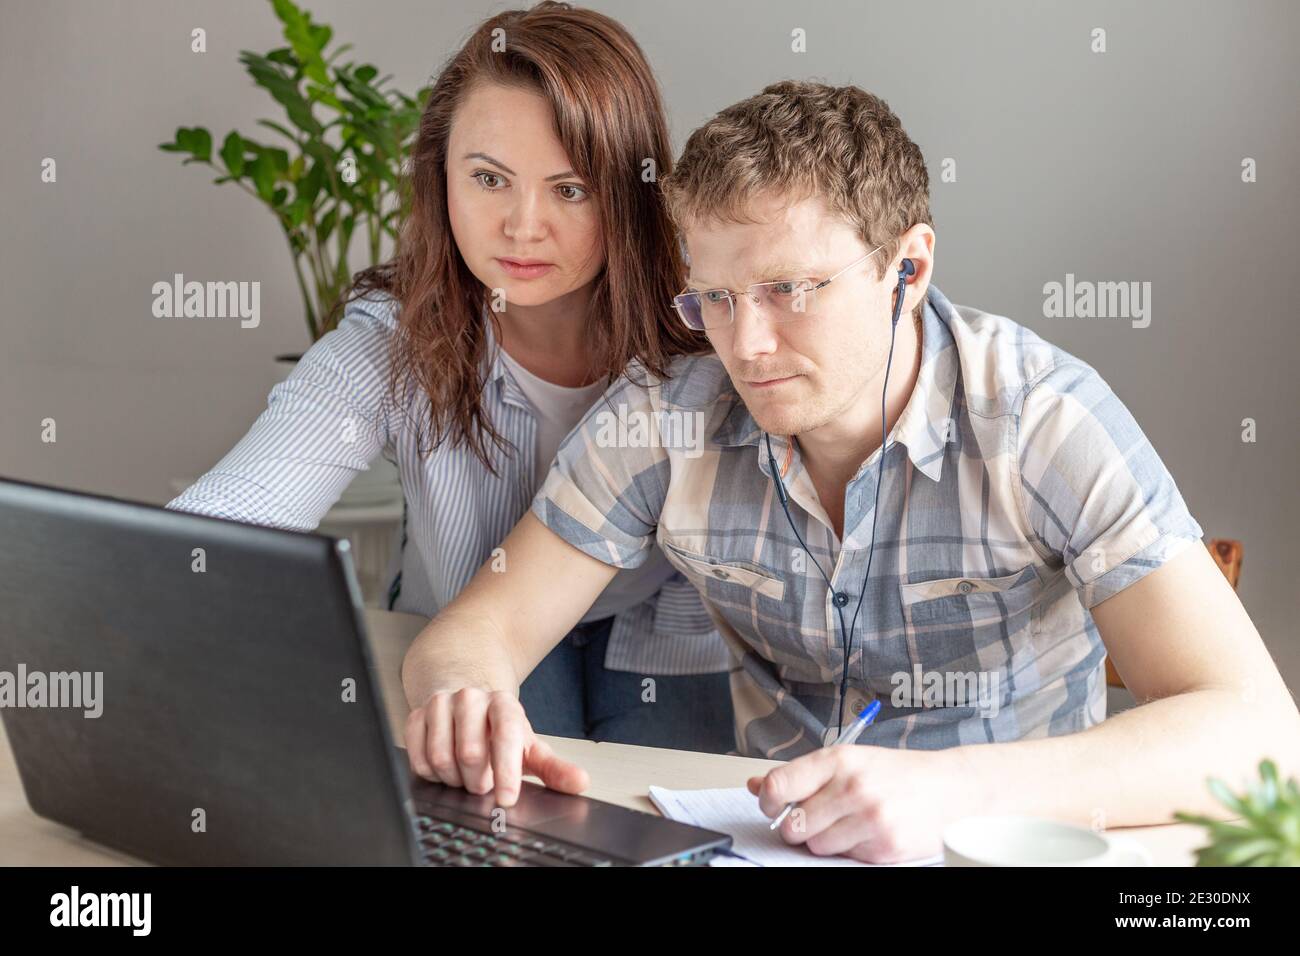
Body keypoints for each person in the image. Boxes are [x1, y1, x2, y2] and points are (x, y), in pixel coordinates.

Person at [398, 80, 1300, 863]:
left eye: (792, 290)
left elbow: (1260, 737)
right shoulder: (668, 414)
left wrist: (946, 791)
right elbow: (472, 633)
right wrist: (463, 696)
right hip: (771, 846)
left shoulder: (1042, 421)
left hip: (1000, 846)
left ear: (907, 266)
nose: (746, 346)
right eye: (714, 297)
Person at [167, 2, 735, 754]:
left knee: (666, 816)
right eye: (490, 178)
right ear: (441, 177)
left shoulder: (705, 326)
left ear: (628, 193)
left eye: (570, 189)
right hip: (467, 621)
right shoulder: (392, 339)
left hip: (658, 623)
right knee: (515, 810)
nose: (523, 226)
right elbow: (233, 518)